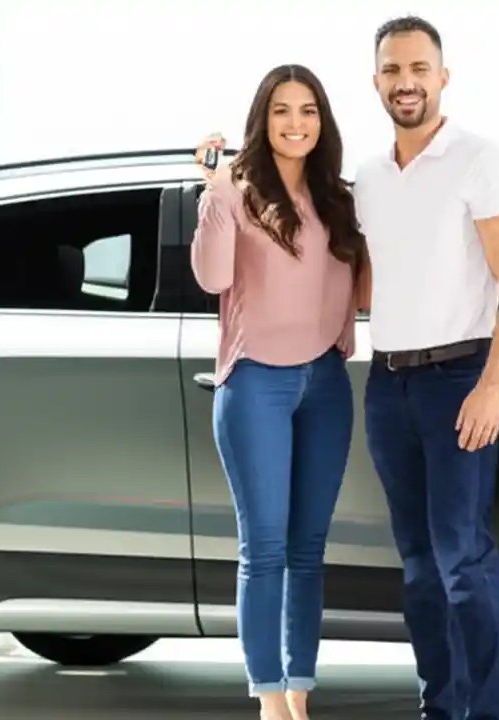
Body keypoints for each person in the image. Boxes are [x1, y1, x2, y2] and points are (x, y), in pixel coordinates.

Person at [352, 15, 499, 720]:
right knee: (420, 566)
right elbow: (370, 283)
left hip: (460, 380)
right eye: (392, 70)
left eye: (418, 69)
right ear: (376, 82)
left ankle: (488, 713)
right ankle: (441, 707)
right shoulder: (370, 177)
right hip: (388, 385)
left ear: (442, 77)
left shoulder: (482, 161)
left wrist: (492, 386)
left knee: (463, 559)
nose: (406, 83)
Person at [189, 63, 366, 720]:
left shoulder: (339, 200)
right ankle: (269, 699)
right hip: (255, 382)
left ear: (323, 122)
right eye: (282, 110)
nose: (296, 123)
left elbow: (363, 291)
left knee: (307, 551)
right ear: (262, 121)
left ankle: (299, 692)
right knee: (264, 549)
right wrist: (214, 191)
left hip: (326, 383)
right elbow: (212, 278)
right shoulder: (235, 193)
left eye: (308, 110)